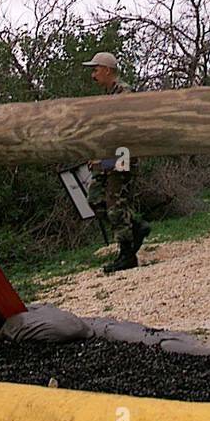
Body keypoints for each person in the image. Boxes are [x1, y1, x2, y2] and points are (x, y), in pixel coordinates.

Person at [81, 51, 151, 273]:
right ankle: (136, 226)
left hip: (122, 156)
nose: (93, 75)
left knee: (115, 206)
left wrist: (106, 159)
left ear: (107, 70)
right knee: (95, 199)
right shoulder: (109, 94)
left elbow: (124, 131)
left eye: (96, 69)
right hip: (109, 156)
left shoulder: (124, 92)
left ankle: (127, 254)